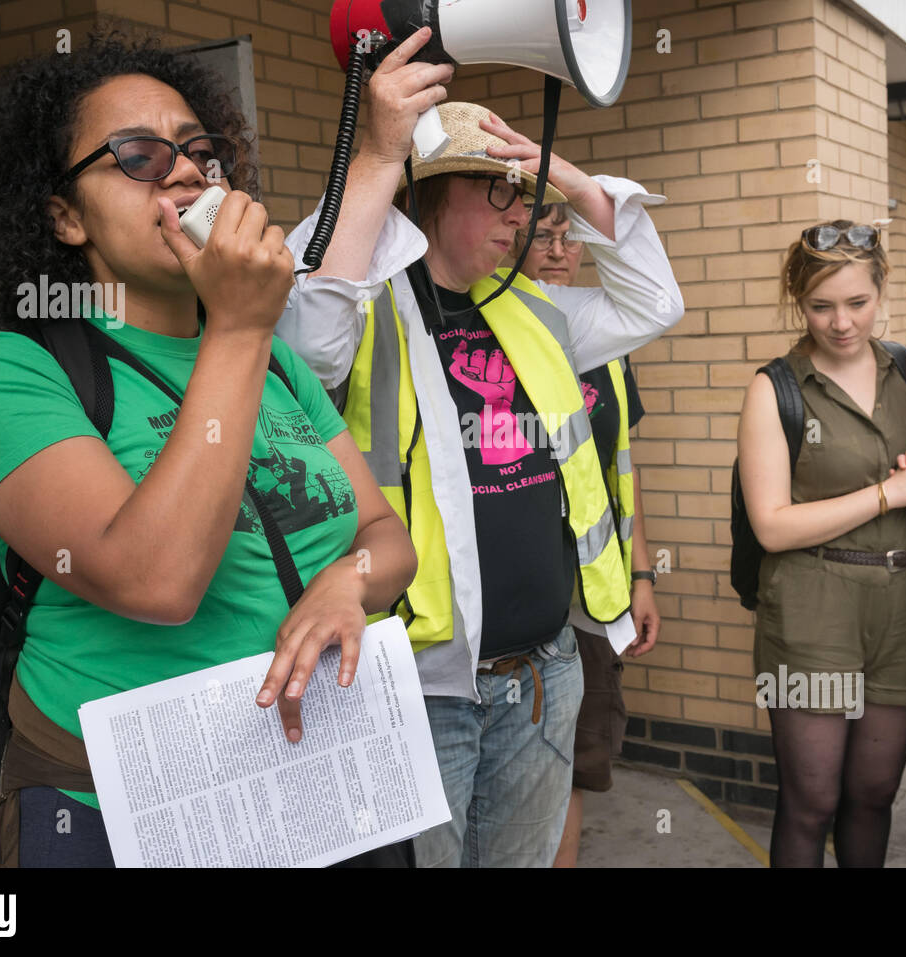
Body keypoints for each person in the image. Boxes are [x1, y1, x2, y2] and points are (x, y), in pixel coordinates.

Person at [0, 35, 417, 866]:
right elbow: (155, 582)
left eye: (204, 152)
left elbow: (386, 534)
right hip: (117, 808)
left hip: (319, 769)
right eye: (139, 154)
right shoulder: (8, 373)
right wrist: (236, 323)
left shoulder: (275, 362)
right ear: (64, 215)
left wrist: (350, 580)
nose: (189, 172)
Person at [278, 27, 683, 867]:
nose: (525, 213)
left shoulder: (535, 309)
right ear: (434, 193)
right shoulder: (366, 304)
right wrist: (383, 153)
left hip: (544, 676)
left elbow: (654, 302)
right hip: (419, 689)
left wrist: (551, 168)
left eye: (524, 193)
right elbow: (308, 335)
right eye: (498, 192)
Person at [737, 221, 906, 867]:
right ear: (799, 303)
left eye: (857, 302)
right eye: (821, 306)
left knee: (874, 793)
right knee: (812, 801)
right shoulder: (775, 388)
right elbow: (771, 524)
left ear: (882, 290)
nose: (840, 322)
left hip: (901, 604)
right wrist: (893, 491)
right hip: (811, 608)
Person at [511, 204, 661, 867]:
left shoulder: (605, 338)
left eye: (568, 237)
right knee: (512, 765)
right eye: (539, 235)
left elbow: (622, 466)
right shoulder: (491, 340)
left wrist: (644, 574)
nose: (557, 250)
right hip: (516, 591)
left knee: (577, 755)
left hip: (591, 593)